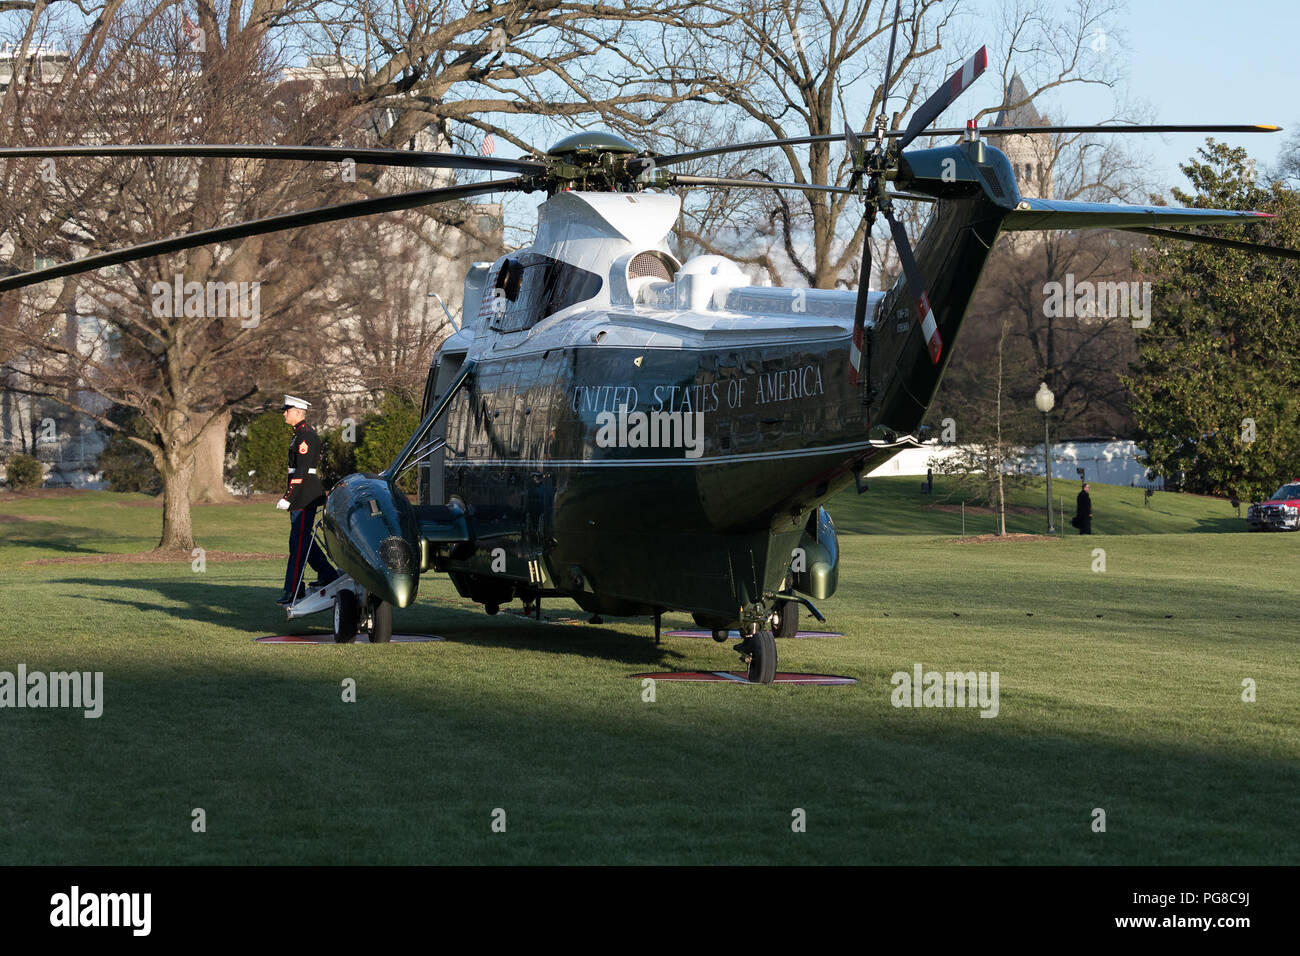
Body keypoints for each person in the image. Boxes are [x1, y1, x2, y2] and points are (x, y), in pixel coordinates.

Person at [276, 395, 339, 605]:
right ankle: (327, 574)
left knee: (298, 543)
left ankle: (293, 590)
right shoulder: (299, 434)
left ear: (298, 412)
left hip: (304, 496)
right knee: (303, 541)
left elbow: (302, 470)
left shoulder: (305, 436)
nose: (284, 413)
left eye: (287, 410)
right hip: (302, 495)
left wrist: (288, 497)